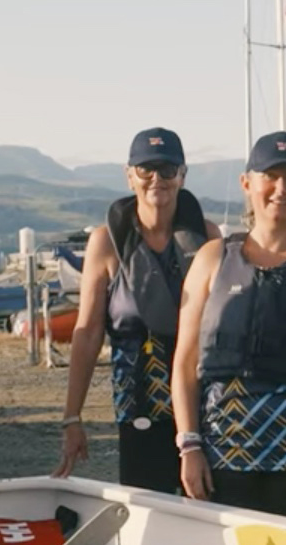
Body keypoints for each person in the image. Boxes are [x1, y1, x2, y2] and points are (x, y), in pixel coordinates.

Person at [171, 132, 286, 521]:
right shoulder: (213, 259)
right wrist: (189, 447)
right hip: (221, 464)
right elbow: (185, 363)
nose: (281, 188)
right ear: (247, 183)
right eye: (270, 176)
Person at [54, 127, 221, 491]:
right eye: (146, 170)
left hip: (203, 406)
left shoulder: (207, 238)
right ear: (129, 176)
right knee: (149, 511)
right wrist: (72, 417)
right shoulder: (106, 242)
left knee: (206, 512)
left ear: (182, 175)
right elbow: (88, 332)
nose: (156, 179)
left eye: (167, 169)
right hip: (138, 407)